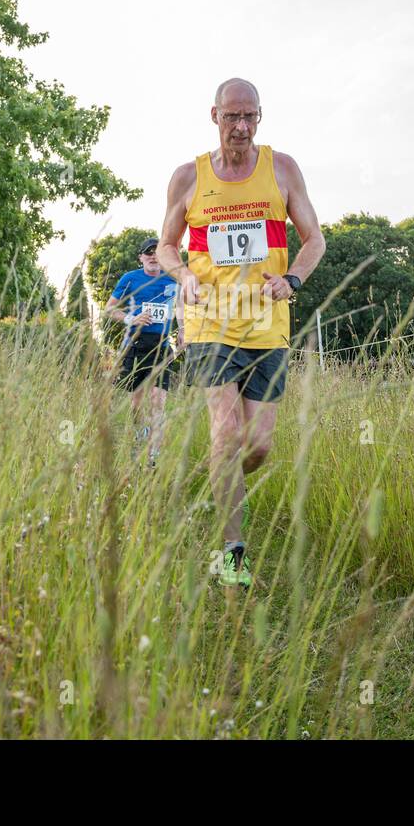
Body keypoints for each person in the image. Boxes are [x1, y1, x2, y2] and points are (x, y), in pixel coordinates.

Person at [156, 79, 325, 589]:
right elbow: (167, 245)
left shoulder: (282, 169)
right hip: (209, 322)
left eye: (250, 116)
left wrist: (292, 279)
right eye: (232, 116)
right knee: (227, 433)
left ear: (259, 117)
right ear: (214, 116)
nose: (241, 126)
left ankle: (218, 479)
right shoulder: (189, 177)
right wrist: (182, 275)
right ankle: (232, 556)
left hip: (267, 325)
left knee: (257, 447)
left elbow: (314, 239)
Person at [105, 237, 184, 466]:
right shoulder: (130, 278)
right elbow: (110, 309)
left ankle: (153, 457)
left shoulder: (173, 278)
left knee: (158, 400)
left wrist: (183, 329)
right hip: (135, 345)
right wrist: (132, 318)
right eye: (147, 252)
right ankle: (138, 442)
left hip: (161, 346)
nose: (152, 256)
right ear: (140, 257)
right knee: (136, 402)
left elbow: (179, 305)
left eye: (156, 252)